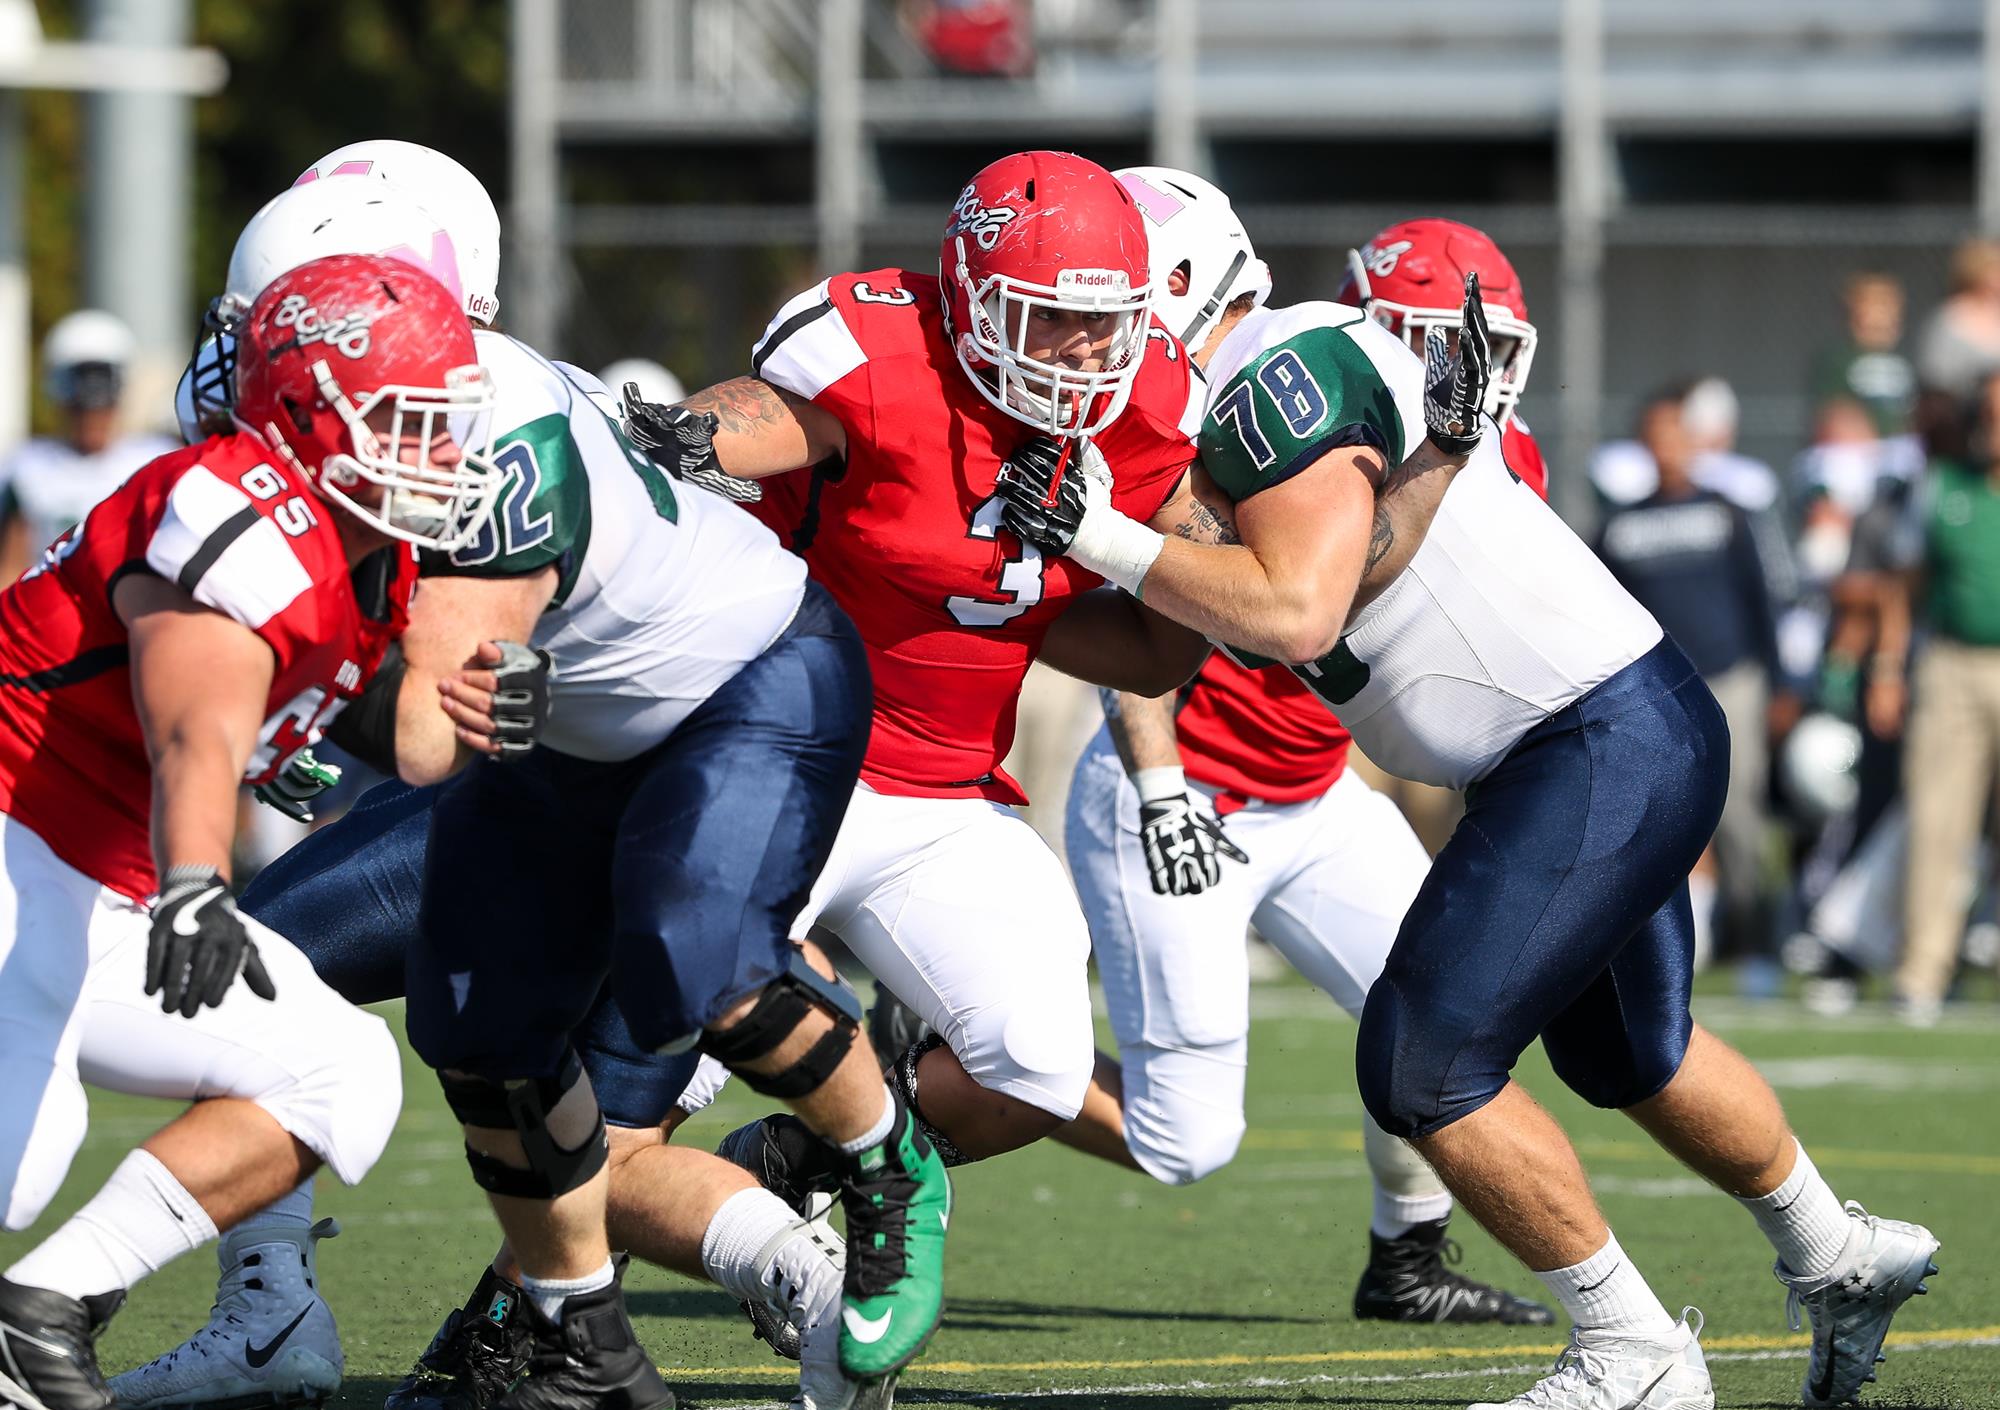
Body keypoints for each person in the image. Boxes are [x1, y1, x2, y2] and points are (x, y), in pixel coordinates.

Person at [993, 174, 1941, 1410]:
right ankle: (1835, 1254)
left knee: (1421, 1065)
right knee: (1626, 1055)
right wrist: (998, 600)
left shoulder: (1281, 372)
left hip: (1587, 743)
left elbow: (1295, 609)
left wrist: (1104, 541)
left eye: (1109, 311)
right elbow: (1163, 651)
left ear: (1175, 289)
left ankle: (1631, 1354)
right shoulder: (1217, 417)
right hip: (1578, 746)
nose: (1085, 346)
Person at [117, 157, 906, 1410]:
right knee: (439, 1026)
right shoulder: (377, 412)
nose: (271, 374)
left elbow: (427, 729)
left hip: (716, 736)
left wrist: (290, 697)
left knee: (676, 1014)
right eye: (268, 333)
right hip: (551, 759)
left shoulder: (486, 442)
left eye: (317, 335)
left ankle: (833, 1237)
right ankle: (384, 1325)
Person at [0, 253, 511, 1410]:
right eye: (414, 425)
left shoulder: (362, 553)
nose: (444, 457)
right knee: (16, 1158)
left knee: (338, 1070)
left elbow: (406, 741)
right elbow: (199, 730)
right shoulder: (240, 511)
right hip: (20, 841)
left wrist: (496, 715)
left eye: (450, 427)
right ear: (316, 416)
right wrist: (197, 879)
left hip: (99, 882)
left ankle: (41, 1315)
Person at [1058, 176, 1548, 1326]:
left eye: (1473, 345)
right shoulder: (1244, 412)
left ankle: (1406, 1254)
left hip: (1313, 790)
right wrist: (1158, 780)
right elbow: (1141, 628)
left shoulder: (1488, 452)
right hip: (1186, 797)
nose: (1447, 368)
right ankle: (938, 1071)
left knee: (1439, 1008)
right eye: (1422, 340)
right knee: (1186, 1141)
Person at [1595, 391, 1791, 967]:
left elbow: (1766, 601)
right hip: (1661, 693)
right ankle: (1673, 945)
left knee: (1739, 817)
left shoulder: (1729, 512)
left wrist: (1783, 685)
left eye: (1676, 434)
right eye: (1654, 435)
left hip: (1733, 680)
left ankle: (1758, 936)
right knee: (1666, 816)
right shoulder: (1621, 526)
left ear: (1695, 440)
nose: (1666, 447)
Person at [0, 311, 176, 582]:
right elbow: (11, 566)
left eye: (101, 405)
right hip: (50, 611)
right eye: (82, 407)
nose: (93, 417)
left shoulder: (155, 459)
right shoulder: (29, 467)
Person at [1810, 271, 1917, 441]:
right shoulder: (1840, 360)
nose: (1886, 314)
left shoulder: (1904, 362)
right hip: (1855, 448)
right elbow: (1834, 412)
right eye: (1877, 304)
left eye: (1891, 305)